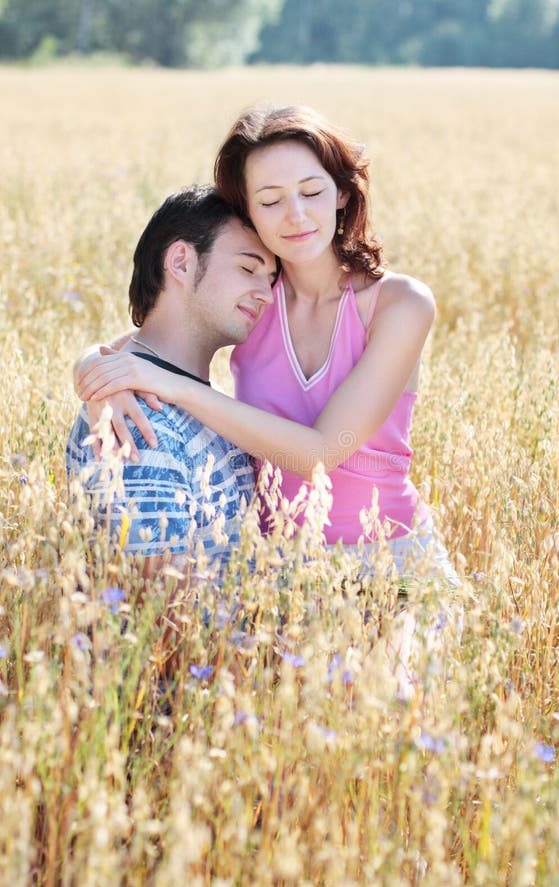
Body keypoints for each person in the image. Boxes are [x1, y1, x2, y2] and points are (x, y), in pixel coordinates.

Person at [75, 105, 458, 586]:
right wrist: (92, 372)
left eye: (312, 192)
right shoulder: (254, 303)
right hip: (278, 572)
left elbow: (319, 454)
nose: (295, 216)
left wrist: (176, 388)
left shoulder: (399, 305)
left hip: (392, 562)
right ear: (248, 210)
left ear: (341, 193)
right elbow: (135, 350)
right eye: (270, 200)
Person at [67, 183, 277, 578]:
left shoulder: (189, 399)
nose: (266, 294)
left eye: (271, 278)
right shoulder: (140, 422)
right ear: (181, 262)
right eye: (249, 268)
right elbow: (159, 622)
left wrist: (91, 360)